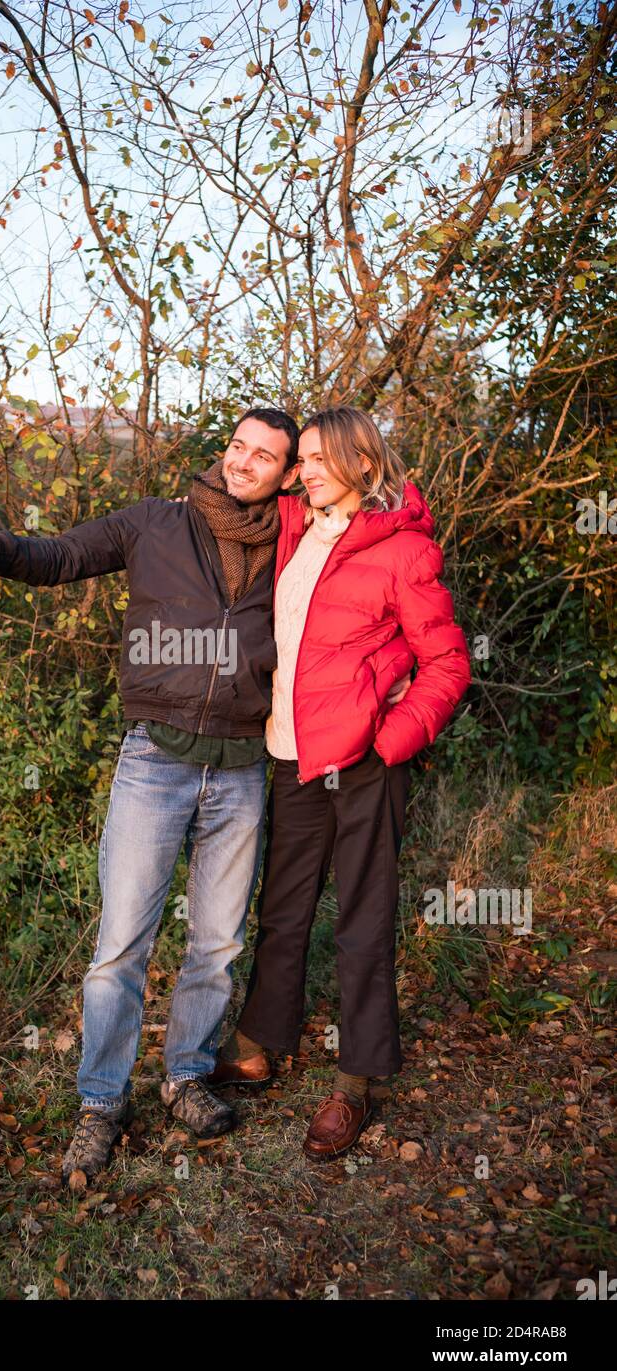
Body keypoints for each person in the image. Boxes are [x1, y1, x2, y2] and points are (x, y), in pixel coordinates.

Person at [0, 409, 304, 1181]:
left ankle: (185, 1076)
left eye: (263, 457)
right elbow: (60, 554)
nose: (242, 463)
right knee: (120, 944)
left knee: (217, 943)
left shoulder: (295, 545)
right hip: (153, 762)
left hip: (239, 769)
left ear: (289, 473)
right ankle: (101, 1100)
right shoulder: (156, 523)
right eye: (236, 446)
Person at [209, 405, 471, 1161]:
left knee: (360, 918)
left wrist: (389, 741)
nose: (307, 469)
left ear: (361, 463)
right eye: (305, 459)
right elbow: (224, 485)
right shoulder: (295, 526)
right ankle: (260, 1040)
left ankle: (355, 1078)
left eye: (321, 458)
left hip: (363, 764)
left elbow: (448, 664)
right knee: (283, 906)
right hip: (292, 754)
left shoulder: (401, 551)